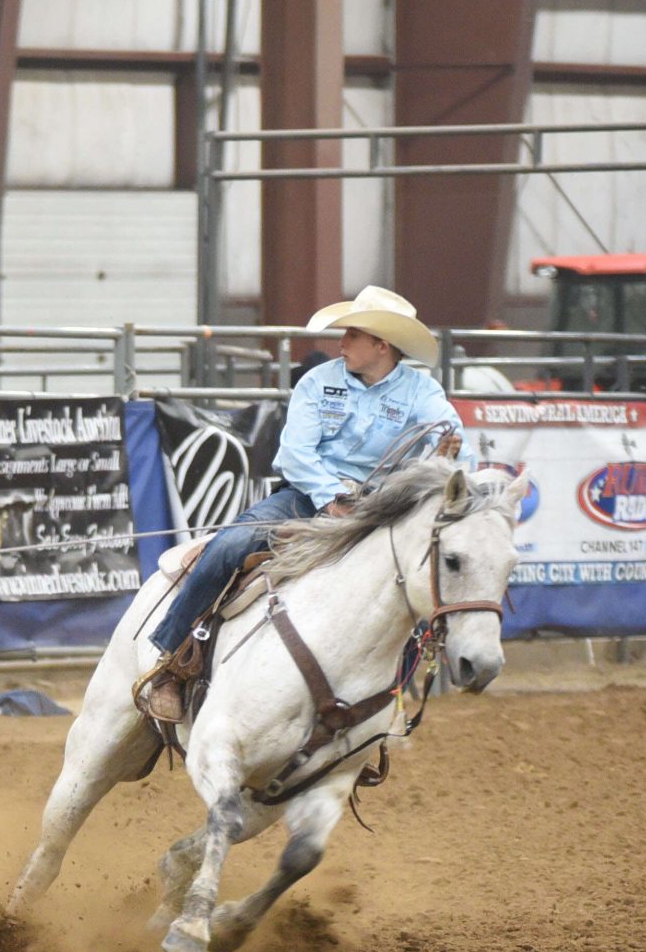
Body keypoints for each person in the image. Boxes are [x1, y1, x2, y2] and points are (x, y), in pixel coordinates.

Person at [140, 285, 473, 719]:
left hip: (381, 510)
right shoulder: (319, 381)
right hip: (305, 497)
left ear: (381, 345)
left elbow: (451, 440)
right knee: (228, 547)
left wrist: (448, 454)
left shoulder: (420, 392)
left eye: (353, 334)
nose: (342, 341)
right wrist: (331, 496)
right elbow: (296, 455)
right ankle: (171, 661)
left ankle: (383, 694)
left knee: (416, 575)